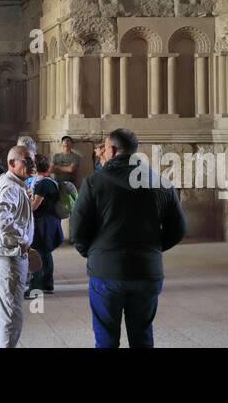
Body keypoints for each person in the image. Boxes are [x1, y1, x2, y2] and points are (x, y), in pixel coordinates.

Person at [70, 128, 186, 348]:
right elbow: (178, 229)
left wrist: (93, 251)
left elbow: (77, 230)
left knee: (106, 338)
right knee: (142, 336)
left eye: (104, 148)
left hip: (106, 271)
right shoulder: (161, 183)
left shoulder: (94, 182)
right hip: (146, 270)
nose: (102, 153)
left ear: (112, 150)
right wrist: (152, 249)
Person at [0, 145, 34, 347]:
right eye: (26, 161)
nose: (32, 164)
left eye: (33, 159)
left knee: (7, 310)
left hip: (10, 252)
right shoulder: (10, 186)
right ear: (12, 163)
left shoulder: (16, 183)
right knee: (11, 315)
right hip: (10, 254)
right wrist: (21, 241)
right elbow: (2, 220)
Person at [27, 154, 63, 296]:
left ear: (35, 167)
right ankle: (48, 284)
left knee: (38, 254)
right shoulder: (50, 180)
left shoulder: (43, 184)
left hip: (43, 222)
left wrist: (21, 205)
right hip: (50, 220)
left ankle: (35, 288)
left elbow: (34, 206)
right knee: (46, 254)